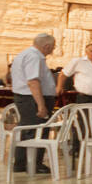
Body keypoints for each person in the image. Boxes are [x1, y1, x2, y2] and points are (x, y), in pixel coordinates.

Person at [10, 34, 57, 175]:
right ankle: (34, 164)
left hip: (28, 98)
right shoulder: (34, 57)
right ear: (46, 46)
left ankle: (22, 163)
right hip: (32, 99)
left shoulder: (26, 54)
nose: (53, 49)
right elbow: (33, 81)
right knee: (37, 131)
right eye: (53, 46)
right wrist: (41, 105)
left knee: (27, 129)